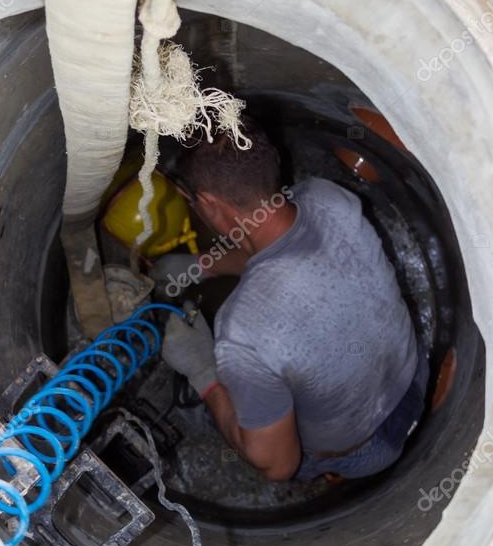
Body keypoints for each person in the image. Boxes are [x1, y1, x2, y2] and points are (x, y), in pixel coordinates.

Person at [154, 127, 429, 483]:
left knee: (227, 412)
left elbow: (278, 466)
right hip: (414, 376)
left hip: (367, 452)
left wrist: (202, 371)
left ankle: (333, 475)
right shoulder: (329, 198)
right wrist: (204, 265)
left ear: (208, 204)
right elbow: (283, 255)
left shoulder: (242, 332)